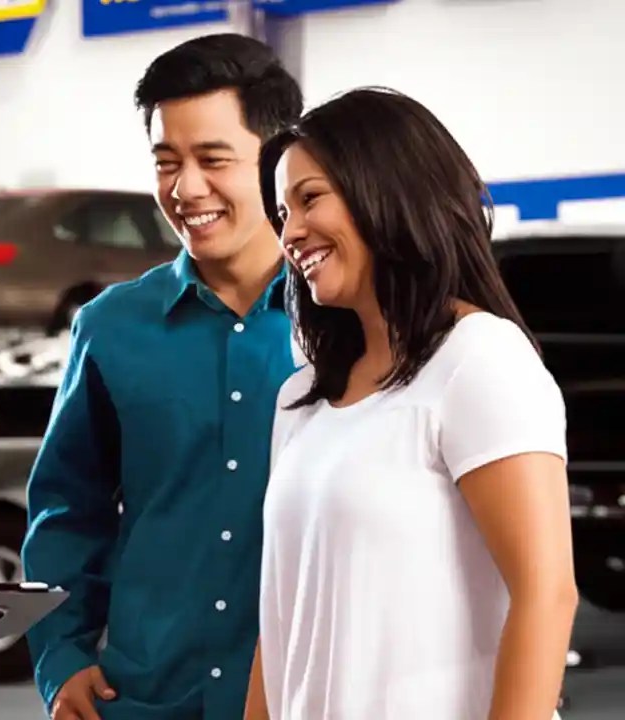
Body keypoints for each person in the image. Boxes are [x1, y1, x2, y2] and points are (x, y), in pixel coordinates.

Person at [245, 87, 578, 720]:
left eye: (310, 198)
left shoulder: (479, 358)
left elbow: (546, 593)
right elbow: (282, 620)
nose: (290, 232)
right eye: (281, 212)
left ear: (388, 190)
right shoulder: (299, 400)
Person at [22, 34, 304, 720]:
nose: (184, 190)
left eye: (213, 160)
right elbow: (66, 511)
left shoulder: (348, 321)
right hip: (143, 697)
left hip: (304, 696)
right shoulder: (112, 326)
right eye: (166, 162)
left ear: (277, 162)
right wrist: (62, 659)